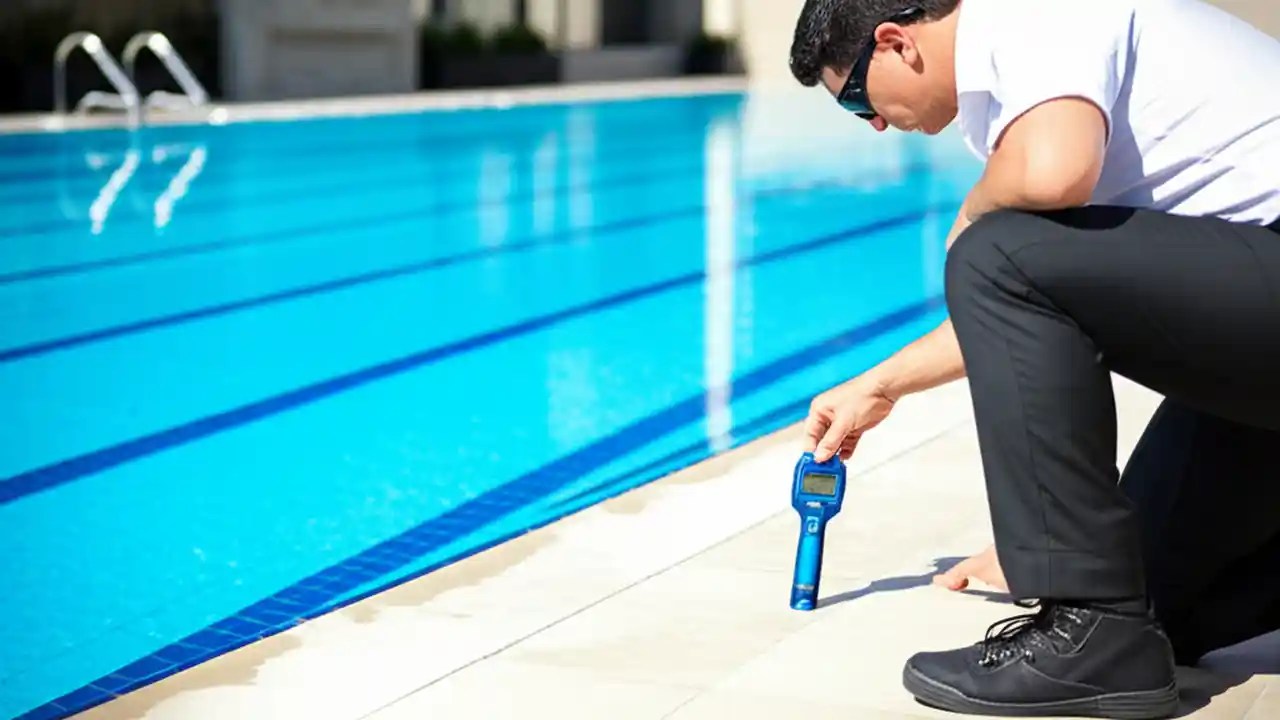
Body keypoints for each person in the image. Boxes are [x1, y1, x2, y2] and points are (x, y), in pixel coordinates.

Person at [788, 0, 1280, 717]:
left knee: (994, 248)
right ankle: (1107, 617)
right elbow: (1037, 293)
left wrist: (971, 223)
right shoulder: (1027, 76)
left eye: (859, 98)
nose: (875, 123)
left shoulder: (1033, 12)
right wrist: (881, 385)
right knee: (1161, 607)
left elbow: (1048, 183)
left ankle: (1090, 630)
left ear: (895, 41)